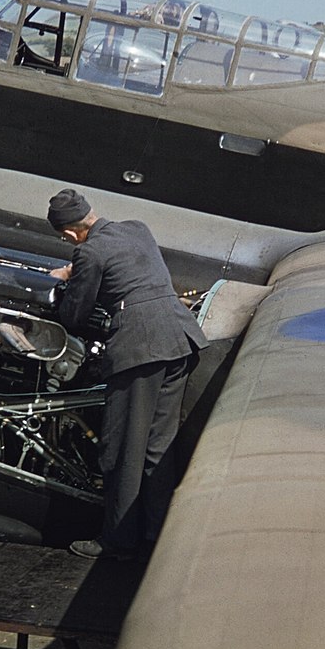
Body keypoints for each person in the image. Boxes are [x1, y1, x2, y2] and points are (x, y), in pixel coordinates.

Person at [47, 189, 207, 559]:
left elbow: (74, 316)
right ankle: (157, 535)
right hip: (178, 340)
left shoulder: (88, 252)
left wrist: (67, 279)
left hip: (140, 350)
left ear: (69, 233)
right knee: (157, 448)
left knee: (121, 450)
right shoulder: (138, 228)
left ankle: (118, 541)